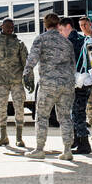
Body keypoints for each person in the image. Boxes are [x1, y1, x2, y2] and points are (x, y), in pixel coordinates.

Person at [23, 13, 77, 160]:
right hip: (67, 84)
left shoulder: (41, 39)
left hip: (48, 84)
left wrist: (26, 73)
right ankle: (67, 150)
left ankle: (40, 149)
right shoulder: (67, 42)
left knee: (42, 116)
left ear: (45, 24)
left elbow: (32, 58)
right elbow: (73, 65)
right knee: (65, 117)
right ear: (58, 24)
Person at [0, 18, 29, 147]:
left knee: (19, 108)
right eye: (7, 26)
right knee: (1, 108)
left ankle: (19, 137)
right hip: (1, 81)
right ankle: (3, 136)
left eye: (12, 27)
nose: (10, 29)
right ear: (2, 26)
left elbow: (26, 62)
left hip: (17, 81)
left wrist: (28, 78)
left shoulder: (19, 43)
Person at [64, 17, 92, 155]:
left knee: (77, 114)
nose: (61, 33)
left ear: (68, 27)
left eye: (62, 30)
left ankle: (84, 144)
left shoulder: (70, 42)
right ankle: (77, 140)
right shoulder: (83, 39)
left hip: (76, 83)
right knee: (75, 112)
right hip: (84, 81)